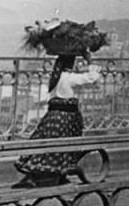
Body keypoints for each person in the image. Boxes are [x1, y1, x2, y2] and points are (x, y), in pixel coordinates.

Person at [14, 53, 101, 187]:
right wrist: (90, 61)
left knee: (45, 143)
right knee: (66, 146)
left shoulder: (55, 77)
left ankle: (35, 173)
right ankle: (61, 173)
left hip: (52, 116)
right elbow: (92, 77)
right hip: (66, 116)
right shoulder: (69, 78)